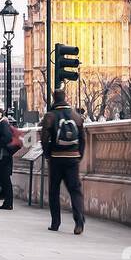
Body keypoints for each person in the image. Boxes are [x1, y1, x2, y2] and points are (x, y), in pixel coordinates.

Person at [41, 87, 86, 234]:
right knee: (75, 190)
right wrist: (79, 155)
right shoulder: (76, 116)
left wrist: (48, 154)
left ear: (54, 98)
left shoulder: (50, 116)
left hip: (56, 158)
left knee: (54, 191)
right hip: (73, 158)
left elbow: (44, 138)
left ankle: (55, 222)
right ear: (65, 97)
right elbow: (83, 138)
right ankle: (79, 222)